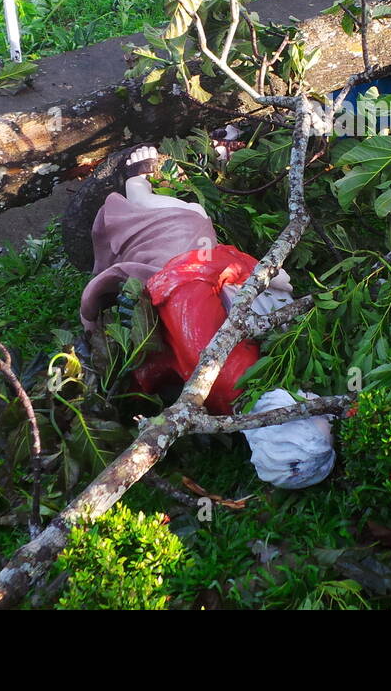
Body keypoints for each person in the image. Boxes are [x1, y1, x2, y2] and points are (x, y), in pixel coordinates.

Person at [78, 142, 336, 488]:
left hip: (174, 276)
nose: (320, 407)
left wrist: (254, 270)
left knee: (193, 218)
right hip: (186, 306)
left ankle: (135, 185)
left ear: (288, 422)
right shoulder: (232, 405)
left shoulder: (233, 373)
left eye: (320, 420)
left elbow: (186, 281)